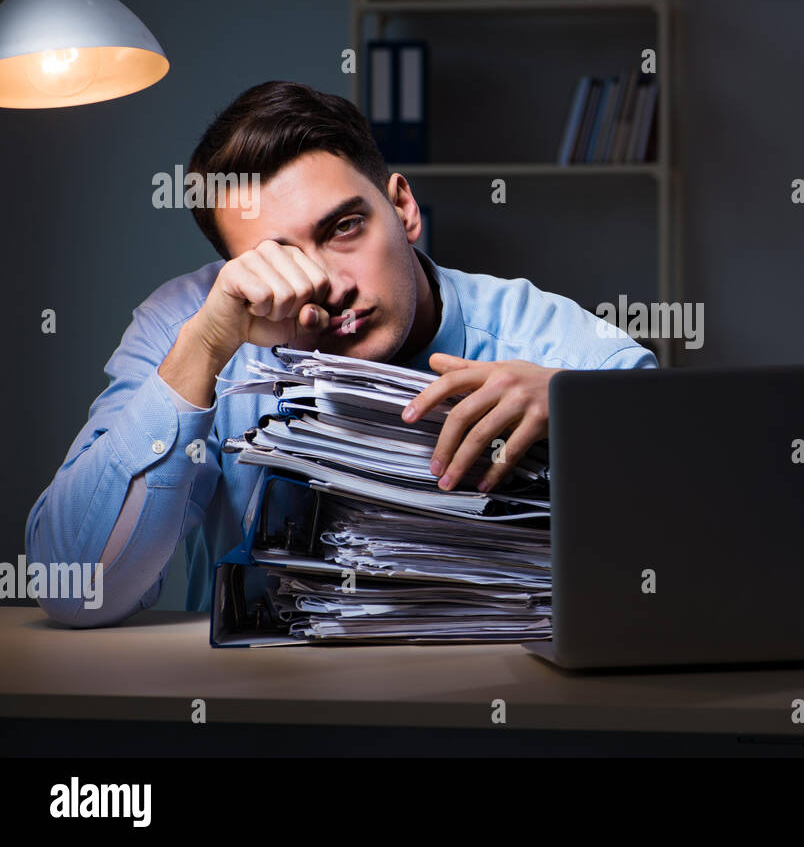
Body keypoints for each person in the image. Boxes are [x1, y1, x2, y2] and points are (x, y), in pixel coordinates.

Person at [25, 81, 655, 628]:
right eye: (281, 258)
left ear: (403, 207)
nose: (329, 286)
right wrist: (203, 349)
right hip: (262, 717)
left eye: (345, 228)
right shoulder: (189, 324)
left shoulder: (545, 342)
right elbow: (77, 591)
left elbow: (697, 544)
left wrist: (588, 418)